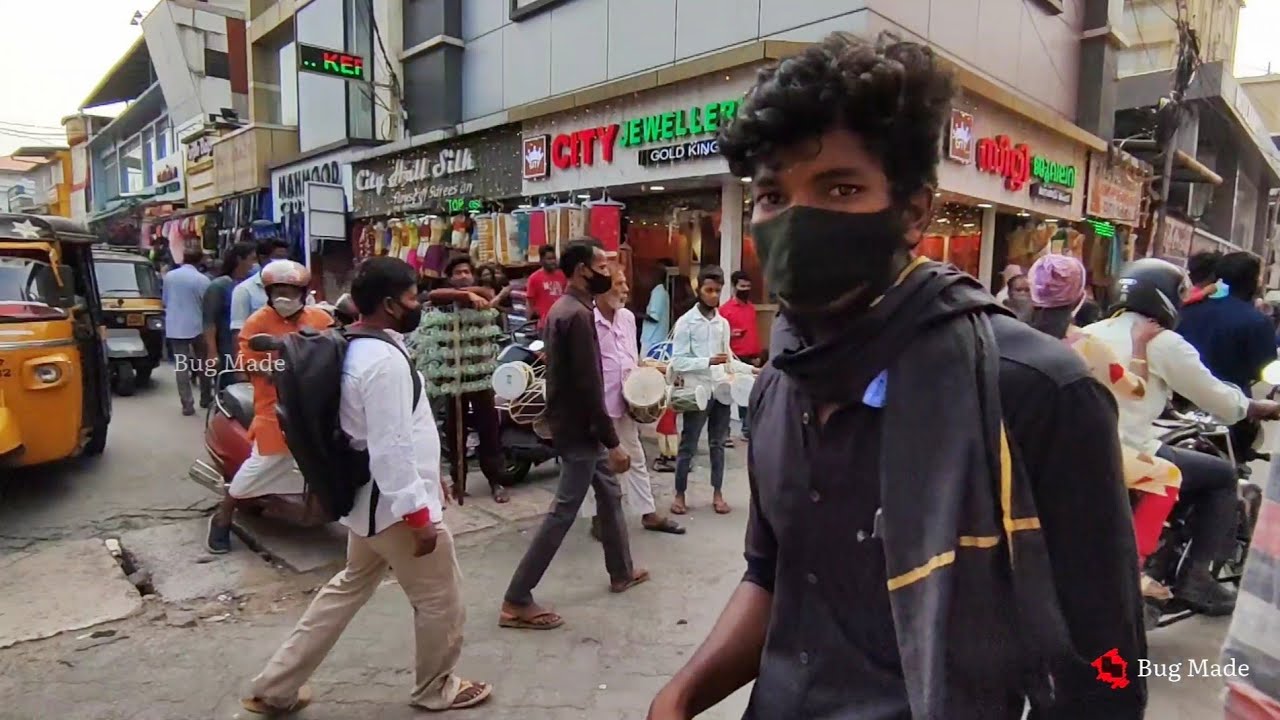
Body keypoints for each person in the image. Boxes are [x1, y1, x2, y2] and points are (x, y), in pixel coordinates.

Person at [649, 32, 1146, 720]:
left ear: (913, 212)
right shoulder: (778, 386)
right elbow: (773, 577)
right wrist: (679, 695)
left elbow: (1107, 676)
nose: (797, 218)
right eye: (772, 194)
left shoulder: (1035, 392)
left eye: (841, 187)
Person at [241, 257, 492, 715]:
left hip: (369, 505)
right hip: (393, 508)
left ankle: (275, 687)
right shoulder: (382, 362)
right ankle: (435, 688)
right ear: (391, 304)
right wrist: (419, 515)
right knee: (440, 599)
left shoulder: (359, 344)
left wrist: (429, 476)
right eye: (413, 297)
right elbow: (390, 447)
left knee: (347, 589)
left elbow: (400, 432)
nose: (418, 304)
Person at [1083, 258, 1280, 616]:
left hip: (1083, 448)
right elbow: (1216, 397)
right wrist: (1256, 407)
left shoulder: (1091, 332)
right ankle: (1196, 578)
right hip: (1130, 449)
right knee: (1221, 475)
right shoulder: (1161, 341)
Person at [499, 238, 649, 631]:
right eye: (602, 265)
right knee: (563, 512)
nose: (608, 272)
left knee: (610, 494)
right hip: (580, 431)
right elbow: (588, 386)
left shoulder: (567, 309)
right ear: (583, 270)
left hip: (576, 426)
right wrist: (613, 443)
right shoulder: (577, 315)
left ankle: (621, 571)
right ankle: (517, 598)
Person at [1027, 254, 1182, 609]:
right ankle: (1133, 567)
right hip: (1077, 455)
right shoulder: (1087, 346)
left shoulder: (1000, 333)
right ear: (1080, 297)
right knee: (1167, 475)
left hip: (1016, 448)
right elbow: (1137, 389)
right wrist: (1140, 345)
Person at [205, 261, 334, 554]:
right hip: (275, 405)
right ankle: (223, 515)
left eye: (291, 291)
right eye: (278, 291)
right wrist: (273, 369)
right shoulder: (257, 322)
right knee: (265, 461)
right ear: (268, 293)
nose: (284, 298)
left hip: (316, 402)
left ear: (303, 292)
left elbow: (335, 348)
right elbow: (246, 361)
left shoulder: (320, 319)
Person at [581, 266, 684, 537]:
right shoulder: (587, 320)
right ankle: (597, 517)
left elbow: (631, 357)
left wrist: (646, 376)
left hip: (626, 401)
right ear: (602, 289)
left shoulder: (626, 318)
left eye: (625, 283)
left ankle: (648, 512)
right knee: (598, 463)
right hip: (598, 406)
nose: (626, 289)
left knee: (635, 457)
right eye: (619, 284)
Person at [669, 266, 756, 516]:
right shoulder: (686, 322)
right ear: (699, 290)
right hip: (697, 390)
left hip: (720, 390)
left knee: (718, 444)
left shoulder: (722, 324)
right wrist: (707, 361)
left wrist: (752, 370)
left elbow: (728, 360)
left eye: (717, 291)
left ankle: (718, 494)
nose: (713, 295)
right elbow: (678, 361)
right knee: (689, 444)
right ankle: (679, 494)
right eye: (709, 290)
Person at [424, 256, 510, 503]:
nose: (463, 276)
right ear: (450, 277)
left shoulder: (482, 293)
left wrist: (470, 294)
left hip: (480, 374)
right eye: (457, 273)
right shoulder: (443, 300)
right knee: (455, 431)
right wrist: (464, 295)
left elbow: (487, 292)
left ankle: (495, 481)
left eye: (466, 272)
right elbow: (434, 295)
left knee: (488, 429)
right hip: (453, 377)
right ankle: (458, 481)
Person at [1177, 252, 1277, 458]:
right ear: (1253, 281)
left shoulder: (1187, 311)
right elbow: (1263, 369)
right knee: (1230, 466)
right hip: (1233, 409)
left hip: (1180, 405)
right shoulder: (1257, 321)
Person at [163, 247, 214, 416]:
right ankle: (205, 397)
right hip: (198, 325)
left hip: (175, 326)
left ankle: (187, 403)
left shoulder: (169, 276)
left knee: (181, 366)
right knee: (204, 363)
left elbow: (165, 300)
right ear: (200, 261)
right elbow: (207, 303)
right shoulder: (202, 279)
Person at [203, 242, 257, 391]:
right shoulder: (219, 286)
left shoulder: (253, 285)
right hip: (227, 349)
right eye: (252, 259)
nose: (254, 264)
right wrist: (212, 353)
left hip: (249, 349)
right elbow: (209, 321)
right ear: (240, 259)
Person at [719, 270, 763, 444]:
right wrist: (732, 334)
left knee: (748, 394)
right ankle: (724, 433)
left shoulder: (751, 308)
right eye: (742, 286)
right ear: (734, 286)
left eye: (748, 286)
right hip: (734, 357)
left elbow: (754, 332)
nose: (746, 289)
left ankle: (747, 430)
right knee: (728, 395)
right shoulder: (725, 310)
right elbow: (719, 336)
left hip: (750, 357)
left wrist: (757, 354)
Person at [230, 238, 293, 334]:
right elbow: (238, 330)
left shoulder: (295, 289)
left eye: (285, 258)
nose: (283, 262)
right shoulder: (245, 290)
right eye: (278, 257)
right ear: (263, 258)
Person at [524, 244, 566, 330]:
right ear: (541, 260)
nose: (553, 261)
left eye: (554, 258)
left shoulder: (562, 276)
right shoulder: (534, 278)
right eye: (549, 259)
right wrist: (529, 323)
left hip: (561, 322)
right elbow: (530, 303)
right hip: (544, 325)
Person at [640, 259, 675, 357]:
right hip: (658, 339)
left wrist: (636, 314)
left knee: (645, 364)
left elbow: (654, 317)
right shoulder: (663, 291)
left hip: (652, 339)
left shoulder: (658, 291)